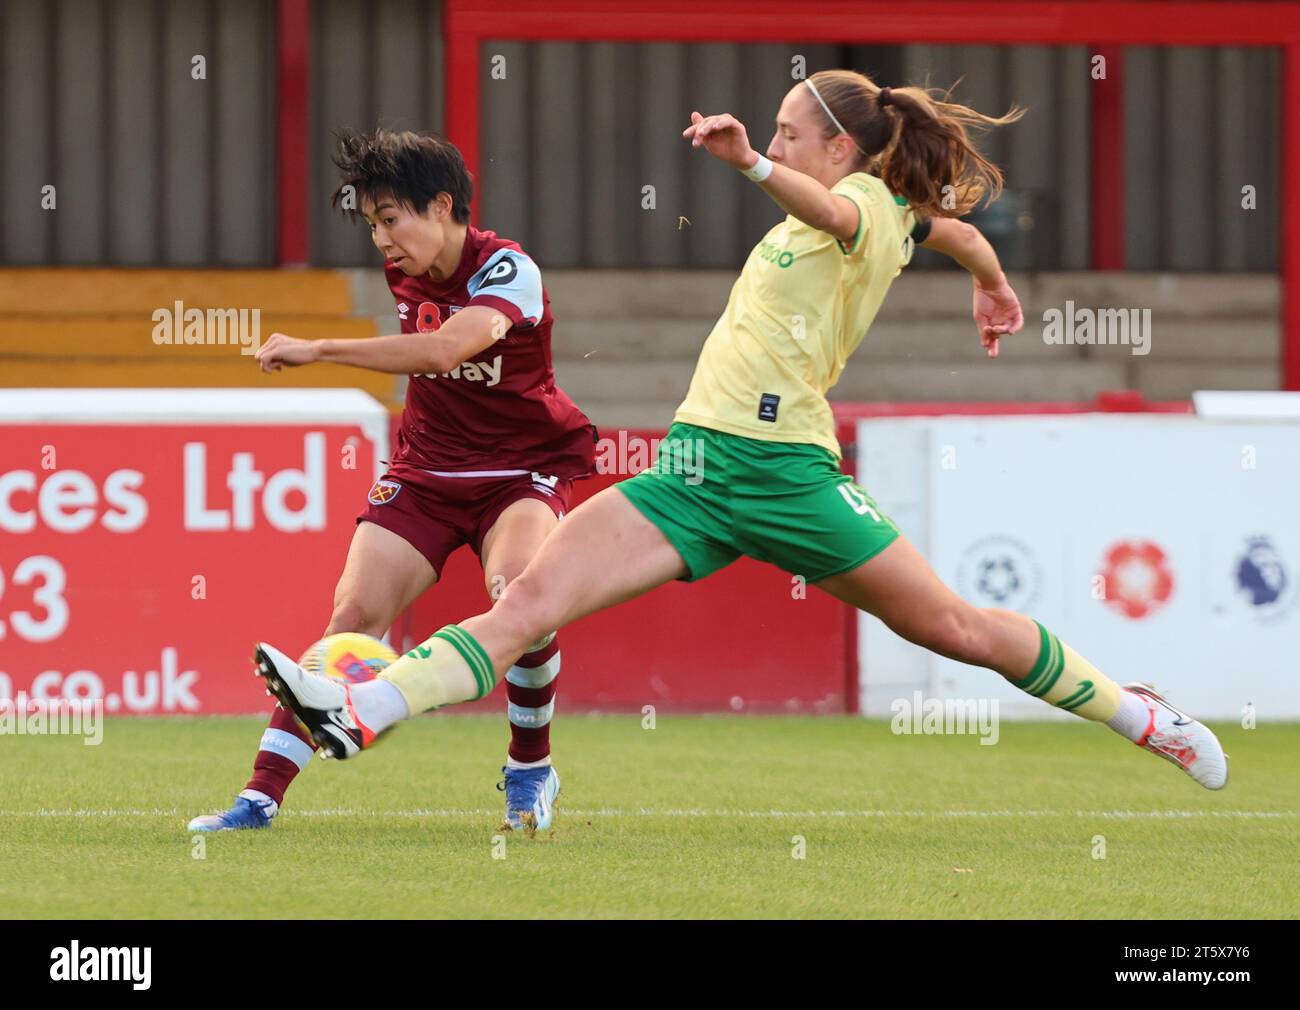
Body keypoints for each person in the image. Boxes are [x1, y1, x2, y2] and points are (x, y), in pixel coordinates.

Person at [254, 72, 1227, 793]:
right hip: (692, 465)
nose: (773, 139)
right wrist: (994, 284)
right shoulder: (888, 219)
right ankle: (359, 708)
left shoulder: (865, 210)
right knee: (525, 607)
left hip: (792, 475)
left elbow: (835, 205)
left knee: (957, 628)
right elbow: (960, 232)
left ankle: (1141, 713)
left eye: (787, 131)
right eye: (771, 131)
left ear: (837, 149)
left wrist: (750, 164)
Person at [188, 128, 597, 836]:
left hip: (519, 470)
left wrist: (320, 347)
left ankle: (530, 768)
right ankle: (258, 800)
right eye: (373, 223)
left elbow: (443, 351)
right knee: (351, 616)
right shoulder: (405, 266)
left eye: (390, 218)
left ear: (442, 205)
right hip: (427, 470)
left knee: (521, 599)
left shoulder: (508, 269)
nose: (381, 238)